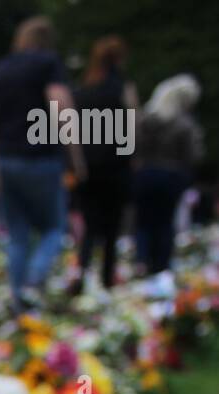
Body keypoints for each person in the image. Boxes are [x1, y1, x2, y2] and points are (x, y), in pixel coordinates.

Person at [0, 17, 85, 309]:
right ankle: (33, 283)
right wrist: (76, 156)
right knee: (54, 228)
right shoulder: (48, 64)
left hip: (4, 158)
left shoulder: (1, 69)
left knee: (17, 235)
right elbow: (60, 105)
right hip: (40, 158)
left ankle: (20, 305)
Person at [73, 38, 138, 293]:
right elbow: (132, 127)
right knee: (111, 227)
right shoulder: (122, 89)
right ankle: (107, 278)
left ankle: (81, 274)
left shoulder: (83, 91)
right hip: (115, 166)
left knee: (90, 225)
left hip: (89, 167)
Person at [134, 76, 203, 276]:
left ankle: (142, 261)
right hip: (171, 176)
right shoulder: (184, 123)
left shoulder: (147, 118)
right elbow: (194, 154)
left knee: (144, 222)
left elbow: (134, 146)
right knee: (165, 223)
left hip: (146, 175)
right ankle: (162, 266)